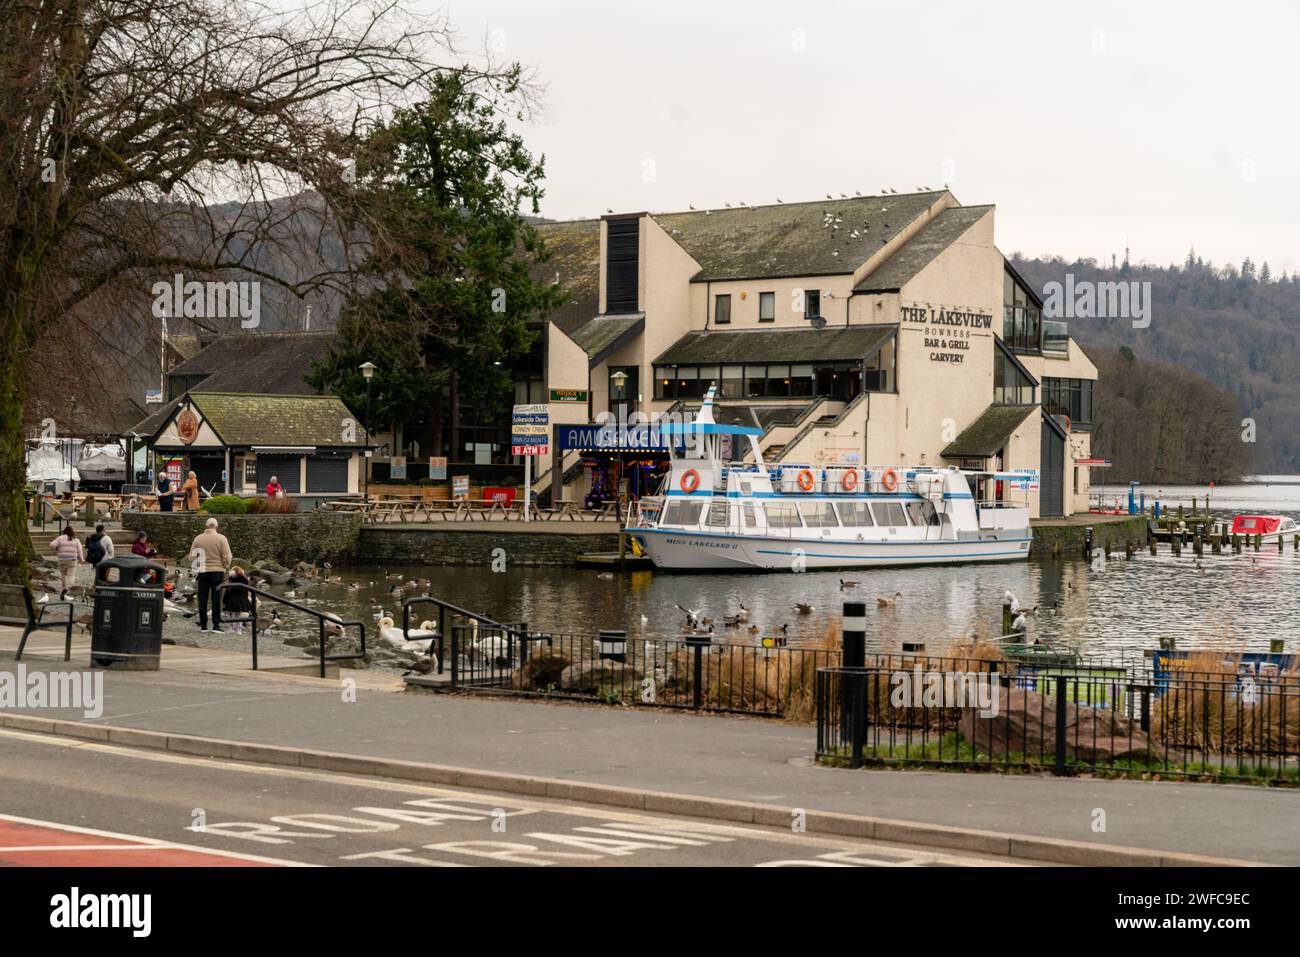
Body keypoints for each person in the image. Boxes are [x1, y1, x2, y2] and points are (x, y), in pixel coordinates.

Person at [188, 517, 232, 633]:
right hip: (217, 571)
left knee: (202, 598)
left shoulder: (198, 538)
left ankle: (203, 625)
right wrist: (226, 566)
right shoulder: (222, 538)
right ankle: (216, 625)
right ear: (216, 526)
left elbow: (191, 557)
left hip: (202, 571)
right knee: (216, 599)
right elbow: (227, 557)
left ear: (206, 526)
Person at [50, 526, 83, 600]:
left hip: (62, 560)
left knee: (63, 576)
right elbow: (79, 551)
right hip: (72, 560)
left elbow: (52, 545)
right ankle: (67, 589)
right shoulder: (76, 540)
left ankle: (63, 590)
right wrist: (81, 559)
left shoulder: (60, 538)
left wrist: (56, 548)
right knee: (70, 575)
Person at [222, 565, 253, 634]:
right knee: (239, 614)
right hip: (242, 599)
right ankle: (238, 629)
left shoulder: (231, 579)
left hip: (232, 599)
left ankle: (232, 628)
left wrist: (224, 600)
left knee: (232, 614)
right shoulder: (245, 579)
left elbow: (228, 591)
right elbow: (246, 591)